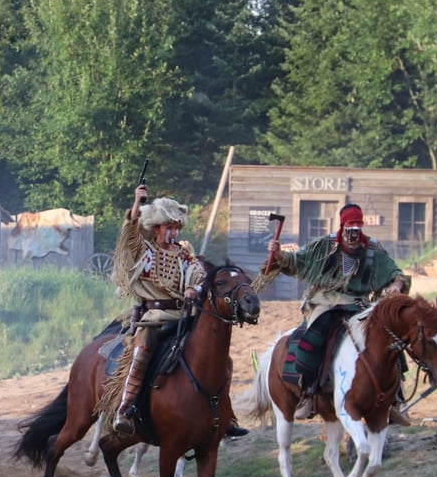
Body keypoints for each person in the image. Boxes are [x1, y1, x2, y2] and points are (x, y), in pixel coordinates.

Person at [108, 184, 248, 437]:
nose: (173, 233)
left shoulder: (184, 255)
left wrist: (193, 288)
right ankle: (125, 409)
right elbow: (129, 234)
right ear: (157, 228)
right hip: (153, 318)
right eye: (168, 227)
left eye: (176, 228)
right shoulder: (144, 251)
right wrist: (137, 203)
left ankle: (227, 417)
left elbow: (198, 274)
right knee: (142, 352)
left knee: (220, 358)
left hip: (184, 316)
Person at [258, 203, 409, 424]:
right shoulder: (325, 246)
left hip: (359, 305)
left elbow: (396, 273)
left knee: (389, 339)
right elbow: (298, 260)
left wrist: (396, 285)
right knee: (313, 339)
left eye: (358, 227)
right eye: (350, 227)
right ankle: (309, 393)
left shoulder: (373, 250)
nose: (354, 234)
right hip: (326, 302)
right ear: (343, 226)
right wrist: (280, 255)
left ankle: (393, 400)